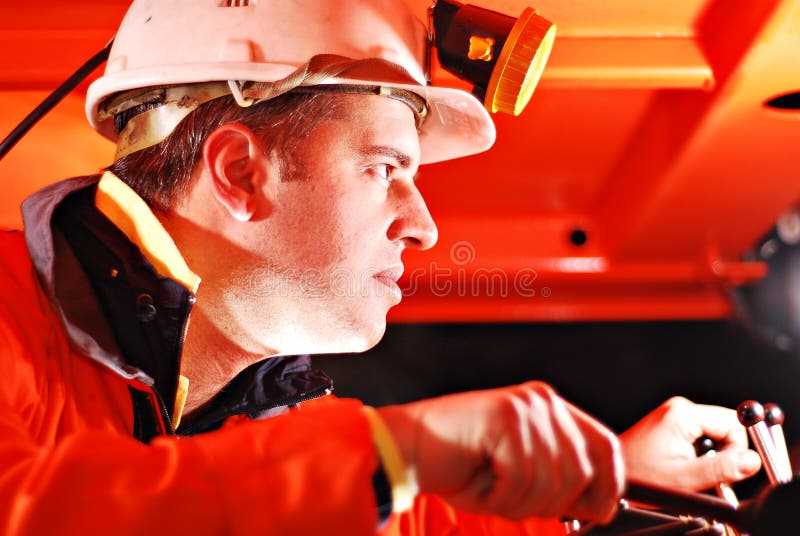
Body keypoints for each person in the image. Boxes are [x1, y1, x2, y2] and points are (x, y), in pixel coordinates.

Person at [0, 0, 761, 534]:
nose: (425, 227)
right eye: (384, 168)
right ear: (240, 173)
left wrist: (613, 473)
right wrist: (397, 453)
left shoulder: (288, 433)